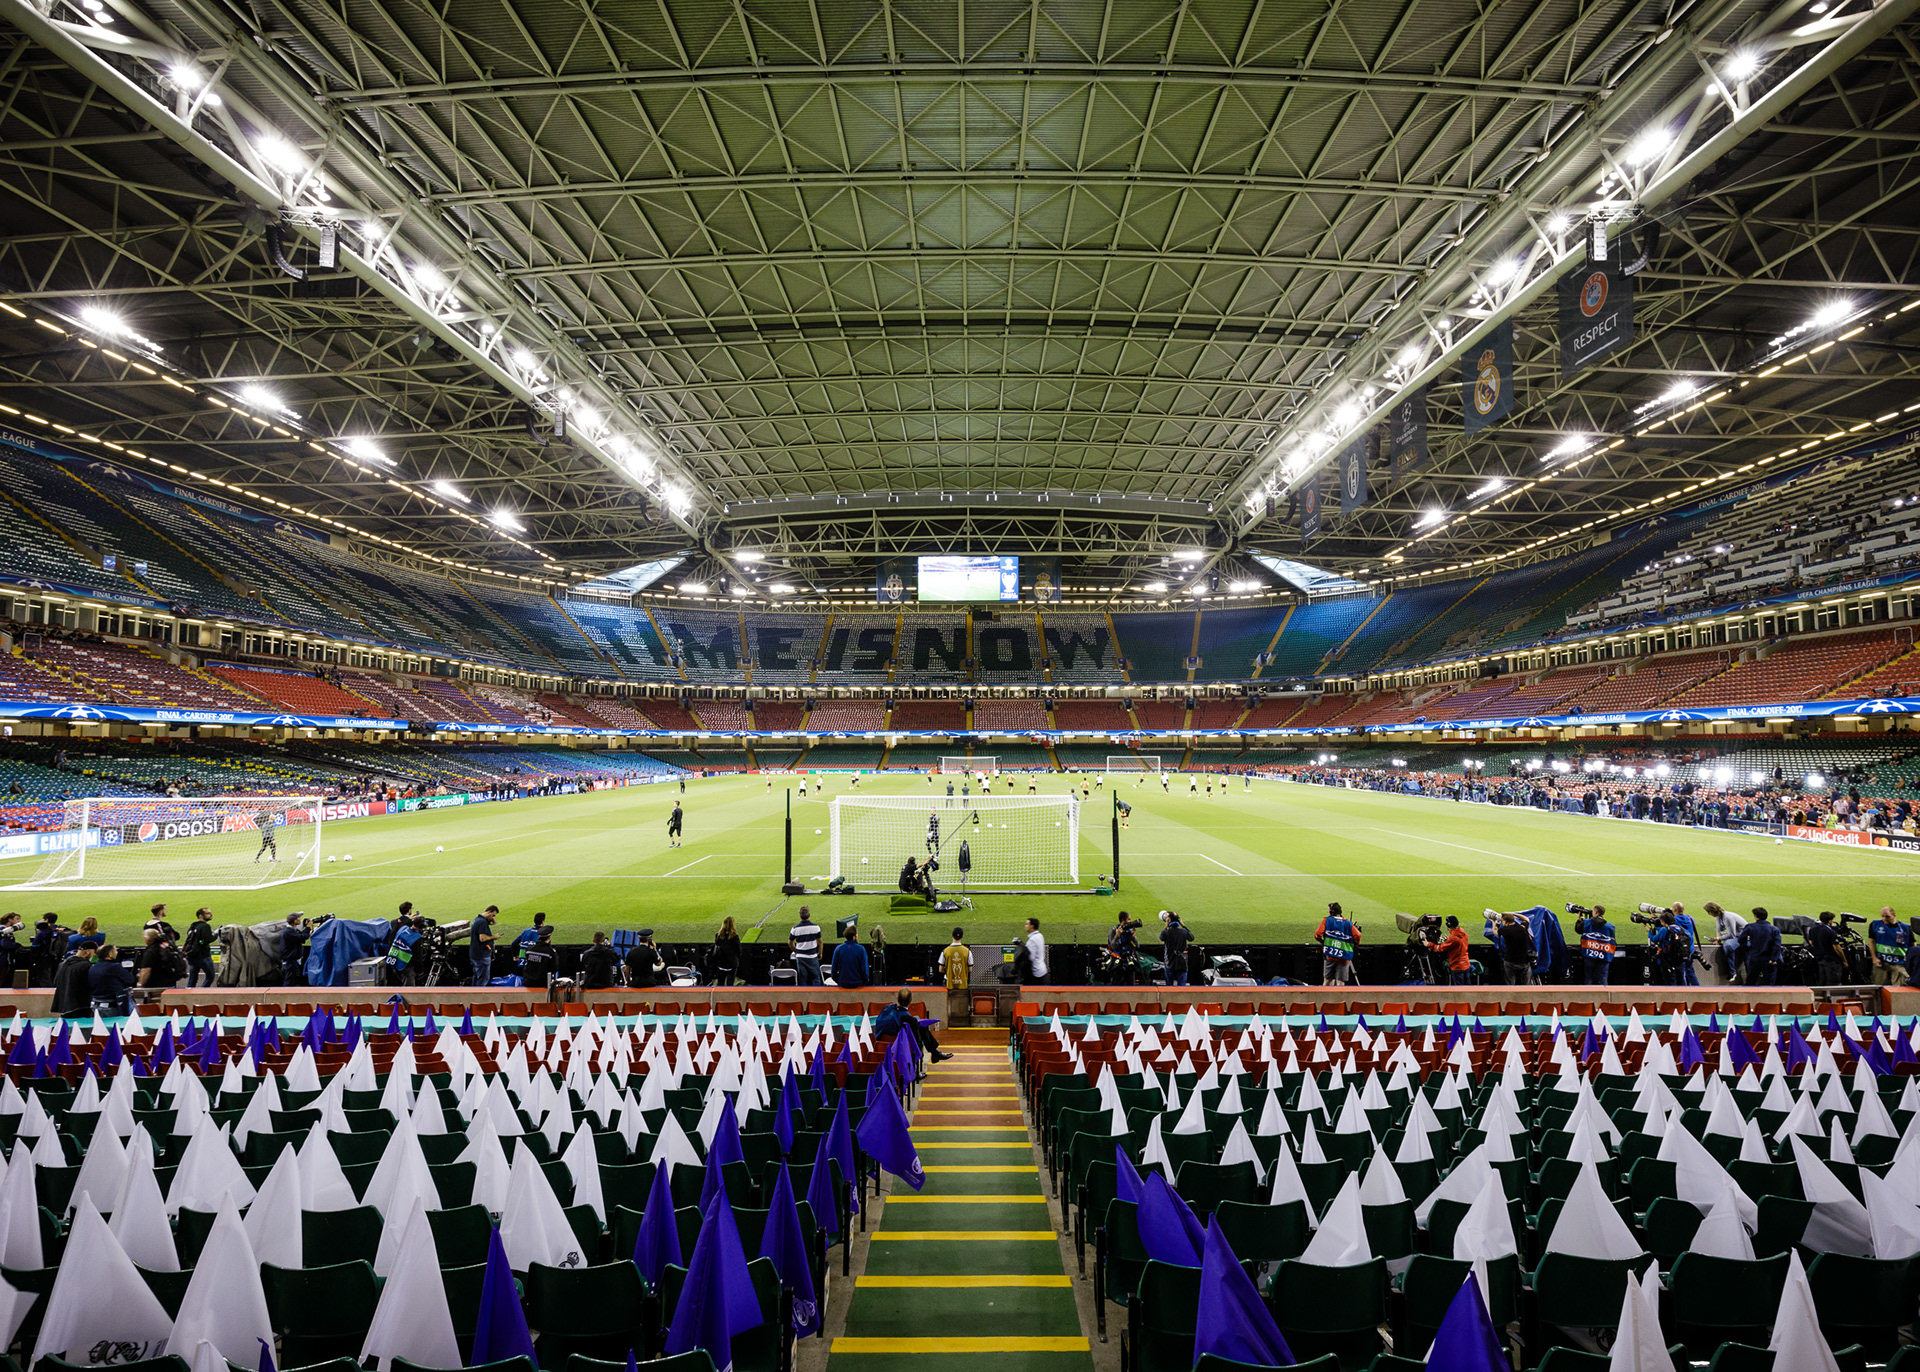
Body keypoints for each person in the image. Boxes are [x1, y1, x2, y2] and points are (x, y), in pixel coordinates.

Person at [874, 988, 951, 1063]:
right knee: (922, 1030)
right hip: (901, 1045)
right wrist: (920, 1053)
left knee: (922, 1029)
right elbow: (916, 1041)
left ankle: (935, 1053)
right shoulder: (910, 1020)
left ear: (897, 998)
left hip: (882, 1042)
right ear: (910, 1000)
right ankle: (934, 1053)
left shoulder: (886, 1010)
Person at [1314, 901, 1360, 985]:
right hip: (1344, 956)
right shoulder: (1348, 923)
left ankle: (1325, 997)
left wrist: (1323, 942)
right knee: (1340, 982)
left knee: (1327, 980)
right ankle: (1340, 998)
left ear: (1331, 912)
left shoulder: (1327, 920)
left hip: (1331, 954)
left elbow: (1318, 934)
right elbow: (1357, 935)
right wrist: (1353, 944)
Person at [87, 944, 137, 1014]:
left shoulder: (93, 967)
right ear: (110, 954)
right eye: (115, 951)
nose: (117, 953)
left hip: (95, 1004)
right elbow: (130, 979)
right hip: (111, 1006)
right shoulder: (114, 967)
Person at [1574, 905, 1615, 985]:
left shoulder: (1587, 922)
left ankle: (1588, 996)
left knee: (1589, 977)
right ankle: (1605, 996)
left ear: (1596, 912)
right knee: (1603, 978)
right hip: (1604, 955)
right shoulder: (1610, 927)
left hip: (1589, 954)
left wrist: (1579, 920)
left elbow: (1578, 930)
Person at [1740, 908, 1782, 986]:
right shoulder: (1774, 929)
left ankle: (1749, 997)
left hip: (1754, 957)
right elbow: (1777, 945)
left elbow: (1741, 939)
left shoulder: (1750, 927)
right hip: (1769, 959)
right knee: (1769, 982)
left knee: (1751, 980)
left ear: (1756, 916)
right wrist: (1773, 958)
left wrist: (1747, 949)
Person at [1869, 906, 1909, 986]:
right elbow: (1872, 941)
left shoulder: (1905, 928)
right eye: (1882, 916)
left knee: (1899, 990)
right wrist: (1874, 958)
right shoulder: (1875, 925)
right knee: (1879, 988)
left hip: (1899, 964)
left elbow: (1912, 945)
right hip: (1882, 963)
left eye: (1887, 916)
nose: (1885, 919)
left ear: (1894, 915)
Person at [1808, 911, 1846, 985]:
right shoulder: (1831, 932)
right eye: (1832, 919)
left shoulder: (1813, 929)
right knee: (1833, 982)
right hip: (1831, 960)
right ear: (1829, 921)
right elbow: (1837, 948)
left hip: (1819, 959)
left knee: (1822, 981)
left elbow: (1811, 942)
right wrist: (1844, 961)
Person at [1497, 911, 1534, 985]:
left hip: (1510, 961)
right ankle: (1527, 996)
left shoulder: (1504, 930)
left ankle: (1511, 996)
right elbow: (1526, 919)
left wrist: (1493, 922)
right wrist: (1513, 914)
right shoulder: (1522, 928)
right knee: (1527, 984)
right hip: (1524, 961)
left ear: (1506, 921)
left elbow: (1495, 931)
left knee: (1510, 984)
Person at [789, 907, 823, 985]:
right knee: (816, 979)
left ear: (800, 915)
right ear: (809, 914)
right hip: (812, 957)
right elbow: (820, 942)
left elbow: (790, 942)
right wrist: (820, 953)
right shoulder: (816, 927)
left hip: (801, 957)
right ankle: (816, 996)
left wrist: (796, 951)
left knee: (803, 980)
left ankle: (803, 997)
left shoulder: (795, 929)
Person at [1160, 910, 1194, 987]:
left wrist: (1166, 926)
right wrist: (1183, 925)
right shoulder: (1184, 931)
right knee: (1182, 987)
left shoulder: (1166, 932)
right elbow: (1191, 938)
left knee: (1169, 986)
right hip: (1182, 961)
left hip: (1169, 961)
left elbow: (1161, 937)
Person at [1438, 915, 1471, 986]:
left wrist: (1428, 944)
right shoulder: (1462, 932)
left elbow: (1440, 948)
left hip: (1457, 966)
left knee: (1459, 989)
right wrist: (1448, 940)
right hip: (1466, 964)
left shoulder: (1453, 938)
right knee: (1468, 988)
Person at [469, 906, 498, 986]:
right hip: (482, 955)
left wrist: (490, 915)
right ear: (489, 912)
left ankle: (473, 996)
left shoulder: (478, 919)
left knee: (476, 977)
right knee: (483, 979)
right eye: (493, 915)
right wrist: (494, 937)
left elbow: (494, 923)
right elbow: (482, 938)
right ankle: (479, 997)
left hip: (475, 954)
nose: (493, 918)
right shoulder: (482, 922)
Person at [711, 916, 740, 986]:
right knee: (730, 984)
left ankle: (718, 996)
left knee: (720, 983)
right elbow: (739, 950)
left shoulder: (718, 936)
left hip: (721, 964)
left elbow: (716, 949)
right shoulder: (734, 937)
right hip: (731, 964)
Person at [942, 927, 972, 992]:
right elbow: (970, 969)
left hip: (948, 984)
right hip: (963, 984)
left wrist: (948, 969)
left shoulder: (945, 951)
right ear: (962, 937)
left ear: (952, 935)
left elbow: (940, 970)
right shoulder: (967, 951)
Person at [1021, 917, 1048, 985]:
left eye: (1027, 924)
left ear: (1032, 926)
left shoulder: (1032, 940)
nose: (1025, 926)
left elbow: (1031, 957)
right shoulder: (1040, 936)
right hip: (1043, 970)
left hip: (1036, 973)